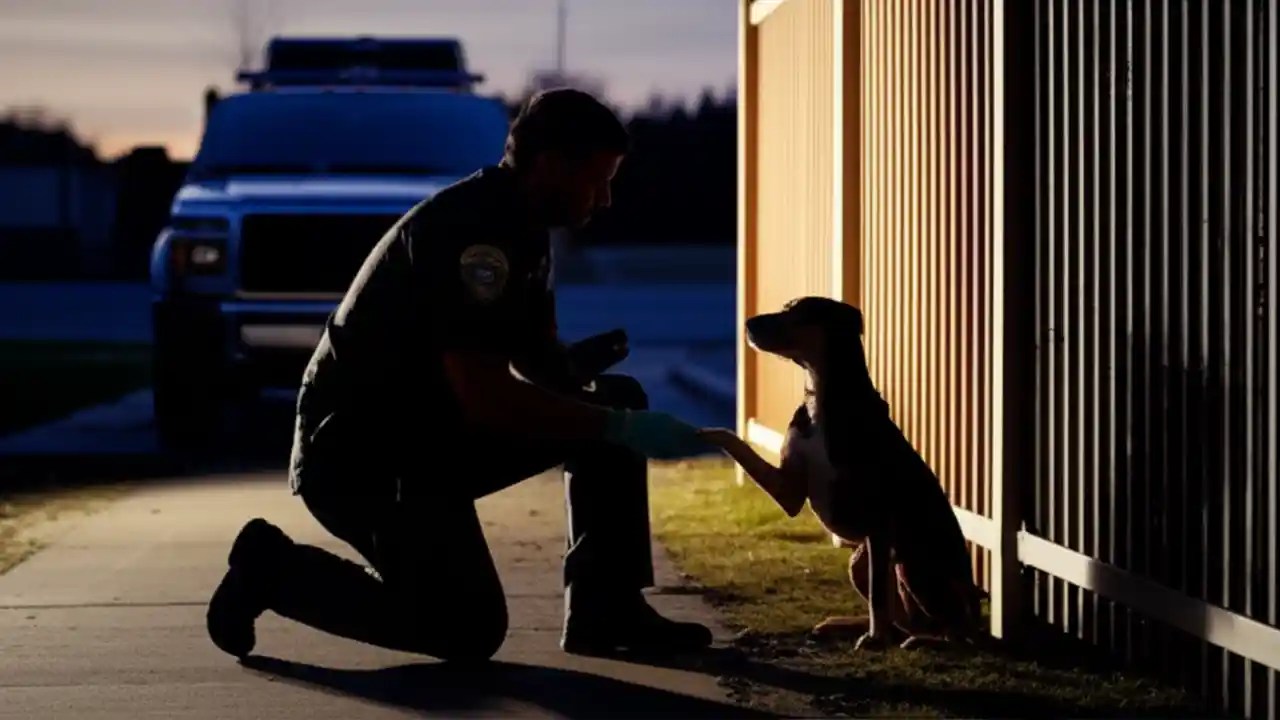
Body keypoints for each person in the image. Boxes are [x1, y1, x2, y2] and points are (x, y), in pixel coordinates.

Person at [205, 88, 716, 663]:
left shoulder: (522, 229)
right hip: (360, 456)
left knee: (615, 399)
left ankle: (607, 611)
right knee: (464, 627)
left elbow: (532, 363)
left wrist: (576, 373)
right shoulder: (473, 233)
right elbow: (489, 399)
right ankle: (271, 569)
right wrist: (619, 428)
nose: (605, 200)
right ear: (550, 165)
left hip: (423, 441)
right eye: (598, 180)